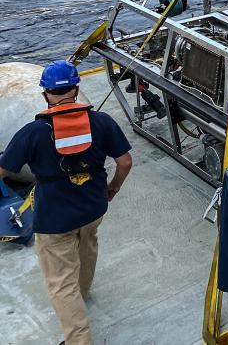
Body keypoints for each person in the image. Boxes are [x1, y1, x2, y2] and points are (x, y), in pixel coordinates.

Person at [0, 60, 133, 345]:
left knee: (61, 282)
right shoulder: (102, 122)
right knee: (87, 248)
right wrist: (113, 188)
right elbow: (124, 161)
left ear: (45, 94)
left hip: (54, 218)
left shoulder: (32, 132)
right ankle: (82, 295)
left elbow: (3, 170)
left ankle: (78, 340)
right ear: (76, 88)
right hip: (94, 205)